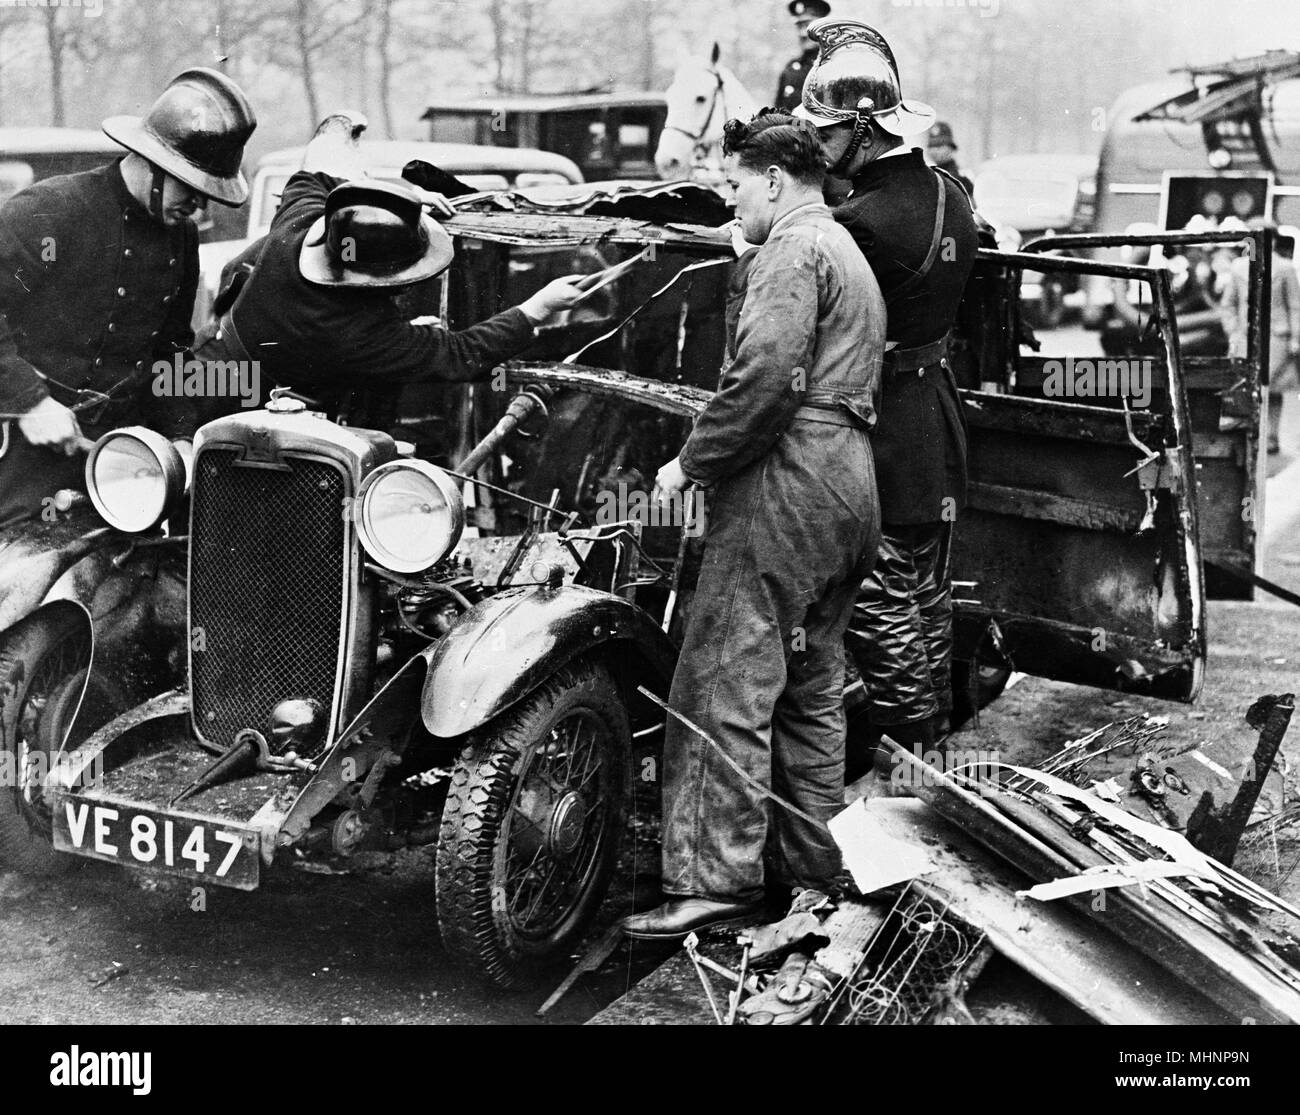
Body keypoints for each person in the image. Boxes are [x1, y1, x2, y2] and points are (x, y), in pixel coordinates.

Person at [623, 112, 884, 940]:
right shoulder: (843, 249)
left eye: (737, 184)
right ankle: (814, 865)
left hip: (787, 480)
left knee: (720, 680)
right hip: (850, 483)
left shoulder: (790, 251)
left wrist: (687, 464)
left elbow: (765, 374)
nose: (732, 203)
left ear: (774, 178)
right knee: (809, 689)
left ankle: (711, 880)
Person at [795, 18, 979, 772]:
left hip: (882, 423)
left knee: (877, 597)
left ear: (866, 131)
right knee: (925, 593)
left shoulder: (861, 221)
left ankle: (908, 758)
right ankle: (933, 738)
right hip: (933, 413)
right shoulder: (952, 193)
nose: (817, 147)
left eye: (828, 134)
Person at [196, 114, 587, 430]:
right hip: (228, 405)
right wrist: (538, 306)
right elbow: (460, 352)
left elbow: (321, 162)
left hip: (199, 363)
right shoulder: (355, 333)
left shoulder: (299, 221)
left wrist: (396, 199)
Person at [0, 68, 256, 527]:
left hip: (116, 462)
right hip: (21, 459)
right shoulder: (49, 212)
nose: (198, 209)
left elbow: (171, 349)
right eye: (192, 191)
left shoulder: (182, 238)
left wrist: (178, 435)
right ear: (153, 163)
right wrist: (29, 401)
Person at [774, 0, 831, 113]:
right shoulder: (791, 69)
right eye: (799, 26)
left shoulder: (832, 64)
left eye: (807, 26)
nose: (802, 33)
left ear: (823, 27)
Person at [925, 121, 974, 200]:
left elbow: (971, 208)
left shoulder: (963, 176)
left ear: (951, 148)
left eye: (939, 146)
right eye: (931, 146)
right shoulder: (926, 173)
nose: (934, 150)